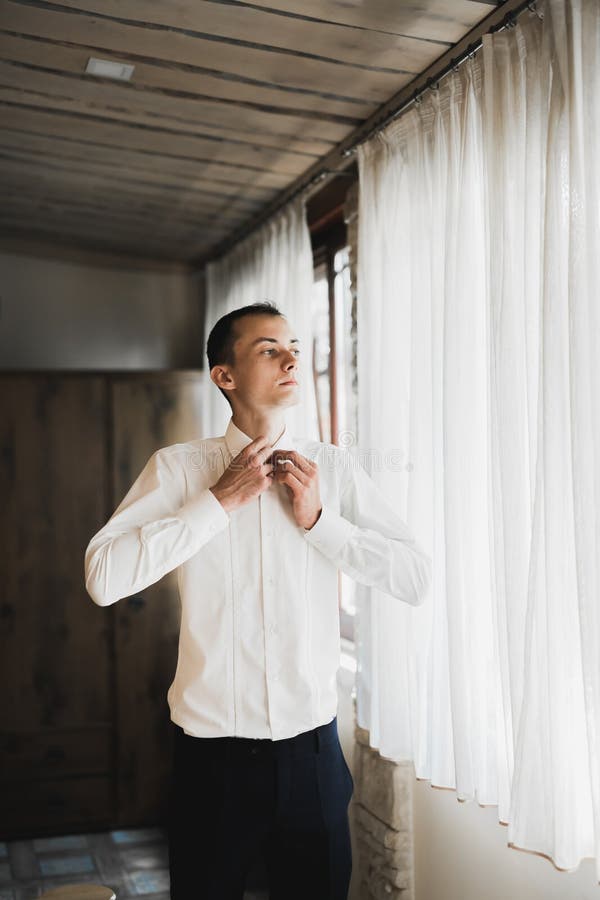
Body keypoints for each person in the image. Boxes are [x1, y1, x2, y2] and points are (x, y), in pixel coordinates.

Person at [84, 300, 432, 900]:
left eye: (295, 346)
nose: (292, 357)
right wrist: (214, 504)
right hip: (211, 766)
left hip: (314, 760)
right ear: (225, 375)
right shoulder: (177, 471)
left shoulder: (335, 470)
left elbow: (414, 576)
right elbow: (103, 576)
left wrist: (322, 521)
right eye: (270, 348)